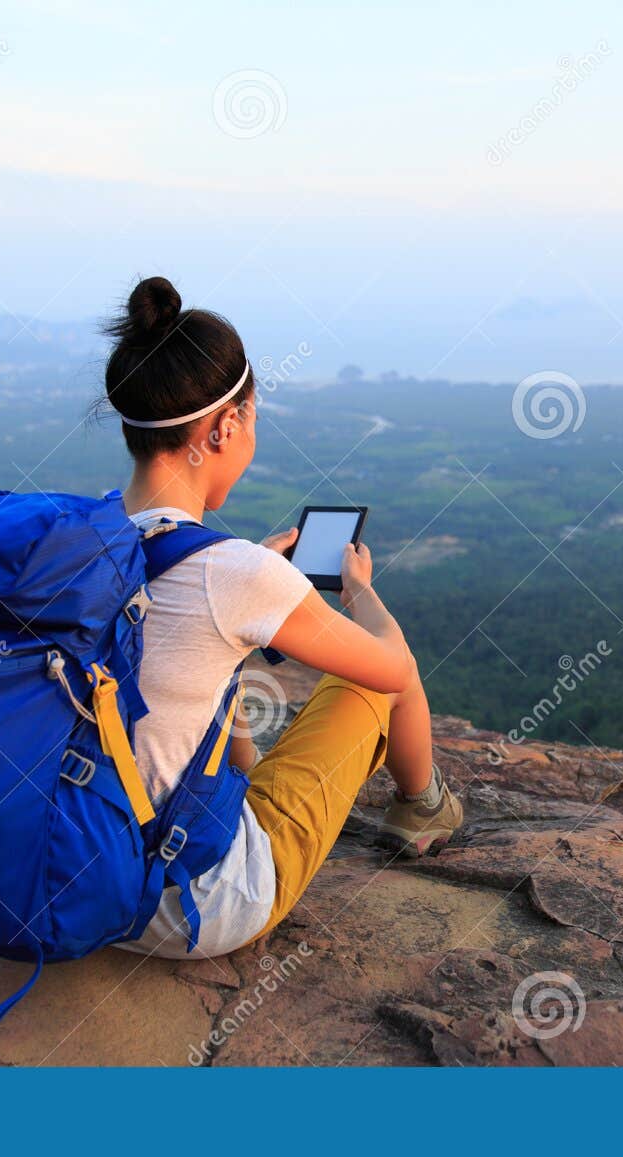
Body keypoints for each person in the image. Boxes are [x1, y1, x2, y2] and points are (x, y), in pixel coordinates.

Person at [104, 275, 462, 959]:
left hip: (71, 877)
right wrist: (356, 591)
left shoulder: (80, 542)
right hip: (192, 903)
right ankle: (423, 808)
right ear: (225, 425)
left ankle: (249, 787)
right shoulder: (232, 572)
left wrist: (246, 608)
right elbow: (393, 663)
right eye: (254, 419)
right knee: (372, 680)